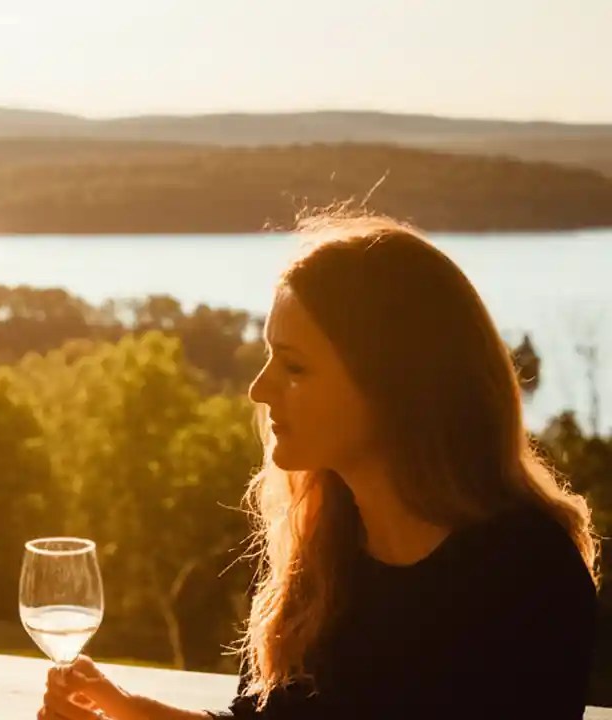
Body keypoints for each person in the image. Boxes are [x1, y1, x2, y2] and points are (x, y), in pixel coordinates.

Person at [38, 213, 600, 719]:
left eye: (295, 367)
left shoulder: (525, 579)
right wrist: (127, 713)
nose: (260, 389)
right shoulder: (320, 546)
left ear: (392, 387)